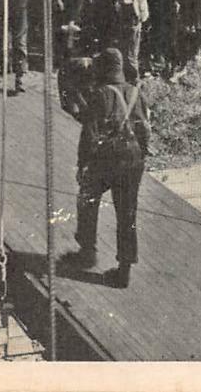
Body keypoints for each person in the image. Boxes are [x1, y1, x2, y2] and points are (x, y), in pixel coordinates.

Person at [60, 48, 151, 288]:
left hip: (106, 159)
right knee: (127, 213)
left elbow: (89, 134)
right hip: (133, 161)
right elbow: (144, 129)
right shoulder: (135, 93)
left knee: (88, 199)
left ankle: (87, 252)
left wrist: (83, 165)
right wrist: (141, 155)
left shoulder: (101, 94)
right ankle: (124, 270)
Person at [114, 0, 150, 82]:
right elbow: (118, 7)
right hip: (122, 24)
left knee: (131, 54)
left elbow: (144, 12)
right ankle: (123, 77)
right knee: (121, 50)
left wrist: (139, 22)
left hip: (133, 25)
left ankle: (134, 79)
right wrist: (120, 0)